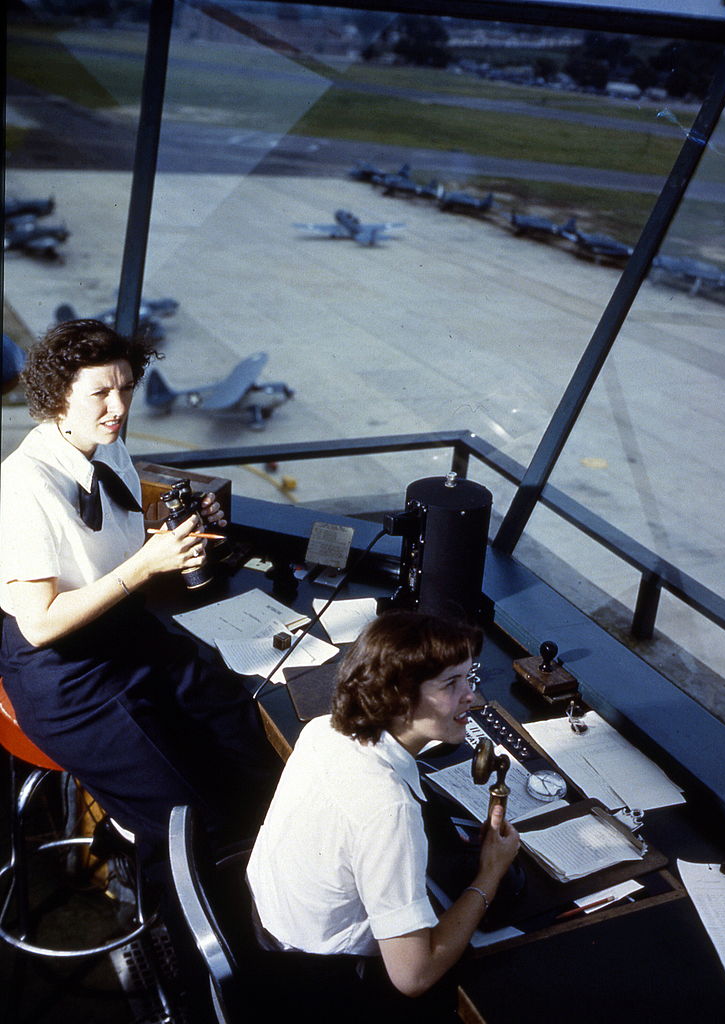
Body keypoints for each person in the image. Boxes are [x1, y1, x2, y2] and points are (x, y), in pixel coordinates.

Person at [0, 319, 276, 865]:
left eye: (125, 388)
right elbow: (40, 624)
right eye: (99, 393)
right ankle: (160, 883)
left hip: (128, 635)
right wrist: (147, 565)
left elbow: (106, 539)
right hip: (68, 672)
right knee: (195, 822)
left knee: (248, 741)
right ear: (57, 396)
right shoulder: (23, 485)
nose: (118, 406)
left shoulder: (105, 448)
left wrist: (181, 529)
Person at [247, 611, 520, 1019]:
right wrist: (490, 875)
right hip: (321, 985)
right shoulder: (388, 811)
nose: (472, 696)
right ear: (400, 698)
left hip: (265, 927)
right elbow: (413, 976)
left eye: (469, 677)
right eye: (451, 683)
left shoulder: (323, 729)